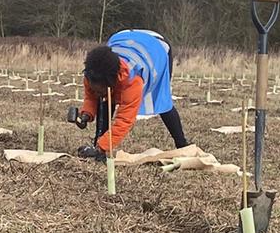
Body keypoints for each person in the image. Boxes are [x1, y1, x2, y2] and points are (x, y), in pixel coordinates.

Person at [68, 29, 190, 160]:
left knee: (161, 99)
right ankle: (99, 145)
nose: (97, 92)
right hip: (125, 36)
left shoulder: (133, 81)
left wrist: (103, 146)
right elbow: (92, 96)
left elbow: (124, 120)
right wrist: (86, 114)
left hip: (156, 47)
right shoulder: (92, 73)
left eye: (100, 89)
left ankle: (182, 145)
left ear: (112, 81)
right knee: (105, 99)